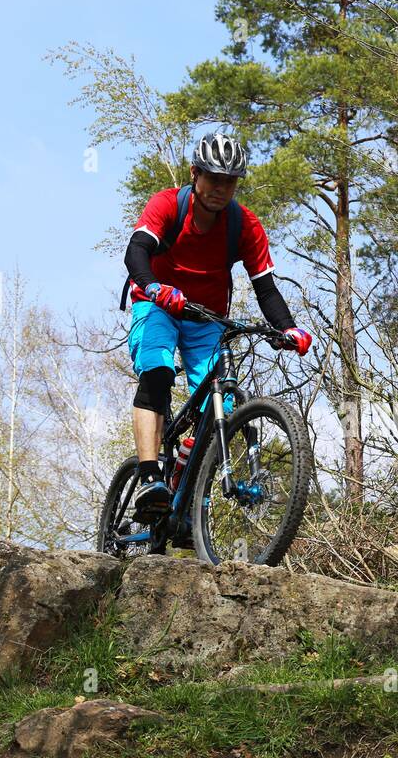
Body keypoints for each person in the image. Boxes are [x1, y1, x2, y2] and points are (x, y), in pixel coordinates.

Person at [124, 132, 312, 538]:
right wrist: (154, 286)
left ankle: (186, 496)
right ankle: (148, 475)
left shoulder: (244, 225)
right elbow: (136, 251)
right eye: (213, 178)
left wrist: (287, 327)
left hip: (207, 317)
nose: (220, 188)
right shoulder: (167, 205)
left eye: (229, 181)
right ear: (195, 174)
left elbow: (265, 287)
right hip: (157, 303)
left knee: (219, 405)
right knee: (156, 372)